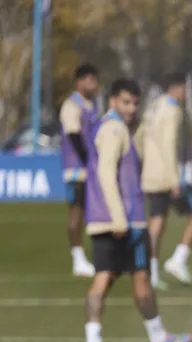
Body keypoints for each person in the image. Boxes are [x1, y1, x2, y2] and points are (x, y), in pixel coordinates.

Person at [82, 79, 192, 342]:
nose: (131, 109)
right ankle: (158, 337)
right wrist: (120, 217)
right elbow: (107, 173)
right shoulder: (115, 129)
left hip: (102, 218)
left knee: (103, 278)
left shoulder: (111, 127)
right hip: (126, 220)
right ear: (112, 101)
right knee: (141, 277)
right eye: (125, 102)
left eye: (134, 103)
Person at [139, 72, 192, 288]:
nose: (185, 94)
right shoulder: (173, 110)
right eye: (184, 89)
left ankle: (151, 273)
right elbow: (168, 145)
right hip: (167, 175)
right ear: (176, 88)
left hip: (151, 172)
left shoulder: (153, 106)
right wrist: (174, 179)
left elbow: (140, 136)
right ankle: (178, 260)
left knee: (157, 221)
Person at [60, 64, 99, 278]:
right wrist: (88, 162)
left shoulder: (91, 105)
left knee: (87, 211)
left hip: (88, 168)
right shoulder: (71, 105)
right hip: (77, 169)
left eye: (94, 79)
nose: (93, 83)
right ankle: (78, 259)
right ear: (79, 82)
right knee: (76, 211)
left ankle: (87, 257)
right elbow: (74, 136)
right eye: (89, 79)